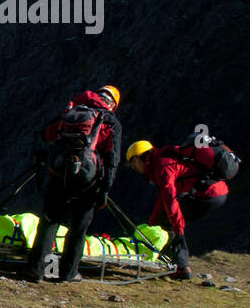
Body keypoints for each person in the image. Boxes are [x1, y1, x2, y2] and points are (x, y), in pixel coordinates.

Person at [23, 85, 123, 282]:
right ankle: (68, 272)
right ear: (112, 104)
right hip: (88, 181)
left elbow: (46, 134)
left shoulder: (71, 112)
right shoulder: (111, 122)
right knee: (78, 228)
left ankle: (35, 270)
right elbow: (113, 158)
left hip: (59, 175)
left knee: (49, 222)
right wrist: (105, 188)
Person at [125, 139, 230, 281]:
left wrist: (178, 228)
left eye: (133, 163)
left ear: (138, 157)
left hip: (208, 194)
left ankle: (181, 267)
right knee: (165, 222)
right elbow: (163, 200)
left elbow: (170, 200)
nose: (134, 168)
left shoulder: (162, 166)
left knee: (169, 224)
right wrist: (152, 225)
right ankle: (175, 263)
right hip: (215, 192)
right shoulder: (160, 162)